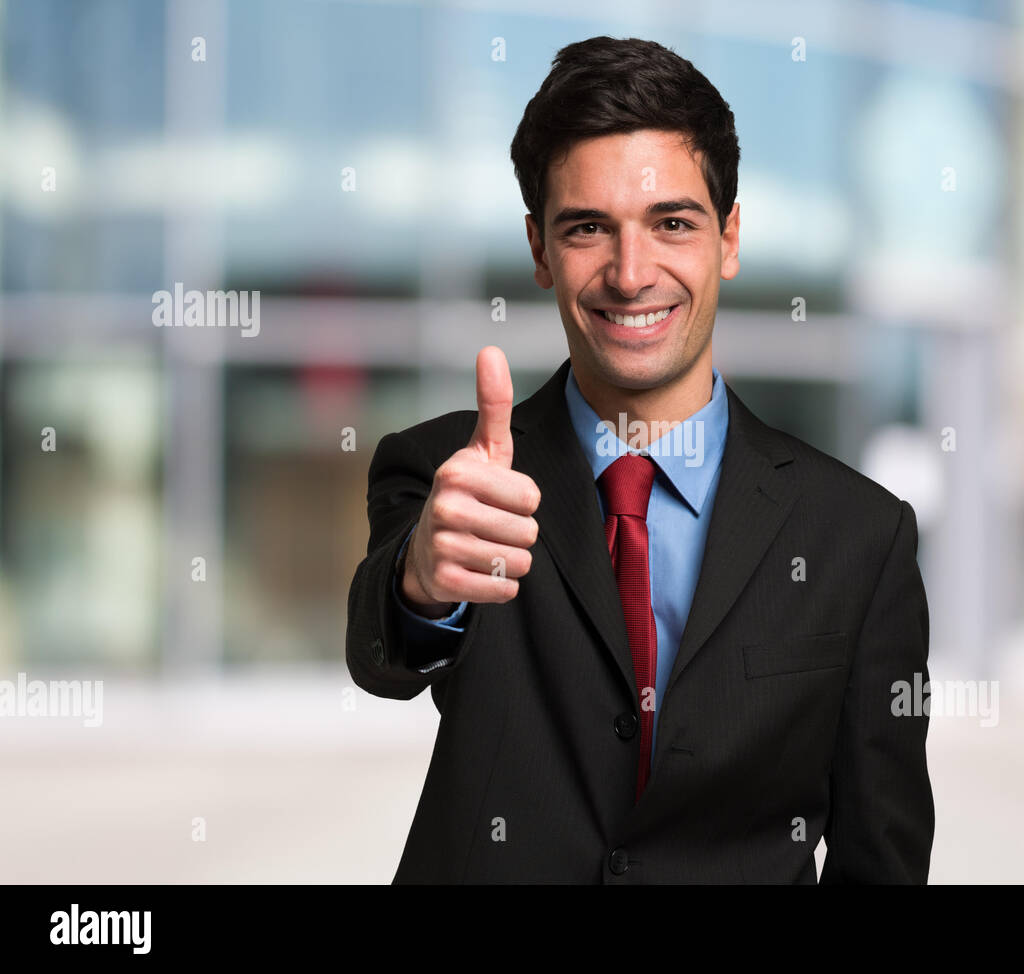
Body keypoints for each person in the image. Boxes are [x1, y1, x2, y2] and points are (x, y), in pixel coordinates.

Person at [345, 35, 934, 884]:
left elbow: (883, 856)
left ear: (728, 238)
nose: (630, 273)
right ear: (541, 250)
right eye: (588, 228)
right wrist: (421, 584)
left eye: (672, 223)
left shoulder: (858, 537)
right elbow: (381, 659)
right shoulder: (453, 476)